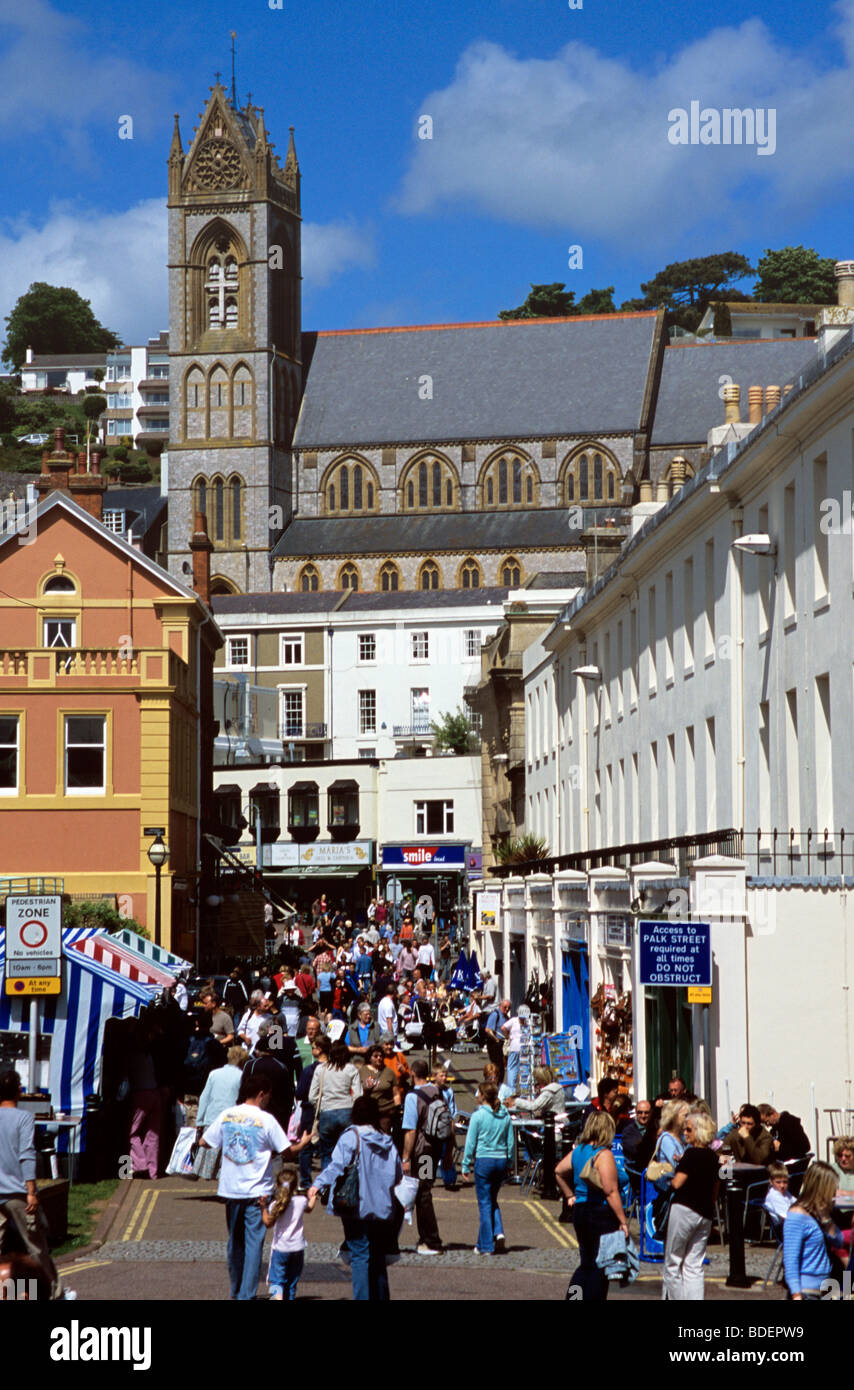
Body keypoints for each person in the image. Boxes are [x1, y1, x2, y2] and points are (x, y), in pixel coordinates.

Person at [198, 1074, 309, 1301]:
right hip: (258, 1191)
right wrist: (304, 1143)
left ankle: (236, 1291)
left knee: (235, 1244)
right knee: (253, 1246)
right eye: (267, 1095)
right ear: (261, 1094)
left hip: (230, 1189)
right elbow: (287, 1152)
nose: (268, 1099)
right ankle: (246, 1295)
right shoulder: (266, 1120)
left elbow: (205, 1142)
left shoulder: (227, 1114)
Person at [310, 1094, 402, 1301]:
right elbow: (397, 1176)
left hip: (355, 1204)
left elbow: (336, 1166)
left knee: (360, 1254)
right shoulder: (387, 1141)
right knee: (378, 1255)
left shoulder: (351, 1137)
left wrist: (317, 1185)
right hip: (381, 1205)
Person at [0, 1070, 60, 1298]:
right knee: (36, 1248)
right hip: (17, 1194)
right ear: (19, 1091)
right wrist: (32, 1191)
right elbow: (26, 1155)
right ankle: (54, 1293)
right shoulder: (24, 1118)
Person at [558, 1111, 629, 1301]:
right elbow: (610, 1191)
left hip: (581, 1211)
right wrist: (623, 1221)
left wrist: (570, 1195)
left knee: (586, 1264)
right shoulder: (603, 1154)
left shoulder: (579, 1150)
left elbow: (558, 1171)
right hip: (601, 1213)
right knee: (601, 1266)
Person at [662, 1110, 720, 1300]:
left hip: (684, 1209)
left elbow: (677, 1183)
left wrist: (664, 1179)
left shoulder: (691, 1154)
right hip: (705, 1213)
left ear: (698, 1131)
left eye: (688, 1130)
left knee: (673, 1263)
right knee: (694, 1266)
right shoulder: (713, 1157)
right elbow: (716, 1187)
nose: (685, 1133)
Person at [401, 1058, 448, 1254]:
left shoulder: (413, 1097)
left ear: (412, 1074)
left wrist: (405, 1157)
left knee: (423, 1192)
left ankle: (431, 1240)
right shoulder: (437, 1091)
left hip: (423, 1151)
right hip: (436, 1147)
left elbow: (410, 1131)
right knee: (424, 1189)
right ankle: (426, 1238)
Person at [783, 1160, 848, 1300]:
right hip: (806, 1291)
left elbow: (839, 1242)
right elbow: (790, 1259)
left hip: (824, 1289)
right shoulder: (797, 1215)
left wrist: (826, 1219)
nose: (833, 1193)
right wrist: (796, 1294)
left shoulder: (820, 1213)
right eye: (831, 1188)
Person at [461, 1082, 513, 1253]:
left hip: (484, 1161)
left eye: (478, 1094)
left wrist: (465, 1164)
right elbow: (510, 1141)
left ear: (483, 1096)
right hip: (501, 1161)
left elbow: (470, 1142)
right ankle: (496, 1233)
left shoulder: (478, 1116)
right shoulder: (504, 1115)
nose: (476, 1096)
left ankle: (486, 1246)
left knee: (484, 1204)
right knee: (491, 1200)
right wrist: (510, 1162)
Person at [259, 1163, 316, 1300]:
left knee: (277, 1280)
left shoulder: (275, 1204)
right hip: (298, 1248)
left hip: (281, 1248)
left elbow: (268, 1223)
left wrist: (263, 1207)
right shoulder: (301, 1201)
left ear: (276, 1186)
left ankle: (277, 1297)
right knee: (291, 1282)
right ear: (296, 1186)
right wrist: (313, 1196)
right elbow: (309, 1207)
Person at [309, 1039, 363, 1168]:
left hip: (327, 1112)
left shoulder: (321, 1069)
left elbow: (312, 1096)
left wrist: (320, 1106)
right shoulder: (351, 1069)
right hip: (347, 1111)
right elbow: (358, 1095)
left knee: (327, 1153)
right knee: (347, 1152)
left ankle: (327, 1185)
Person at [196, 1045, 249, 1134]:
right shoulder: (242, 1076)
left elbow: (204, 1098)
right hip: (232, 1121)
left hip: (211, 1120)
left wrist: (199, 1121)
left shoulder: (214, 1074)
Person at [621, 1099, 659, 1177]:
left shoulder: (656, 1128)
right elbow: (636, 1151)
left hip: (655, 1171)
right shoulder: (628, 1130)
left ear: (651, 1112)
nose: (643, 1115)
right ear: (636, 1112)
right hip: (636, 1173)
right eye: (640, 1112)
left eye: (646, 1112)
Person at [499, 1002, 522, 1093]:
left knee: (512, 1068)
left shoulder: (514, 1020)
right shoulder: (529, 1021)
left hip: (514, 1046)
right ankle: (525, 1089)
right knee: (525, 1068)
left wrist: (508, 1036)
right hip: (526, 1047)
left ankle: (511, 1090)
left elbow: (503, 1027)